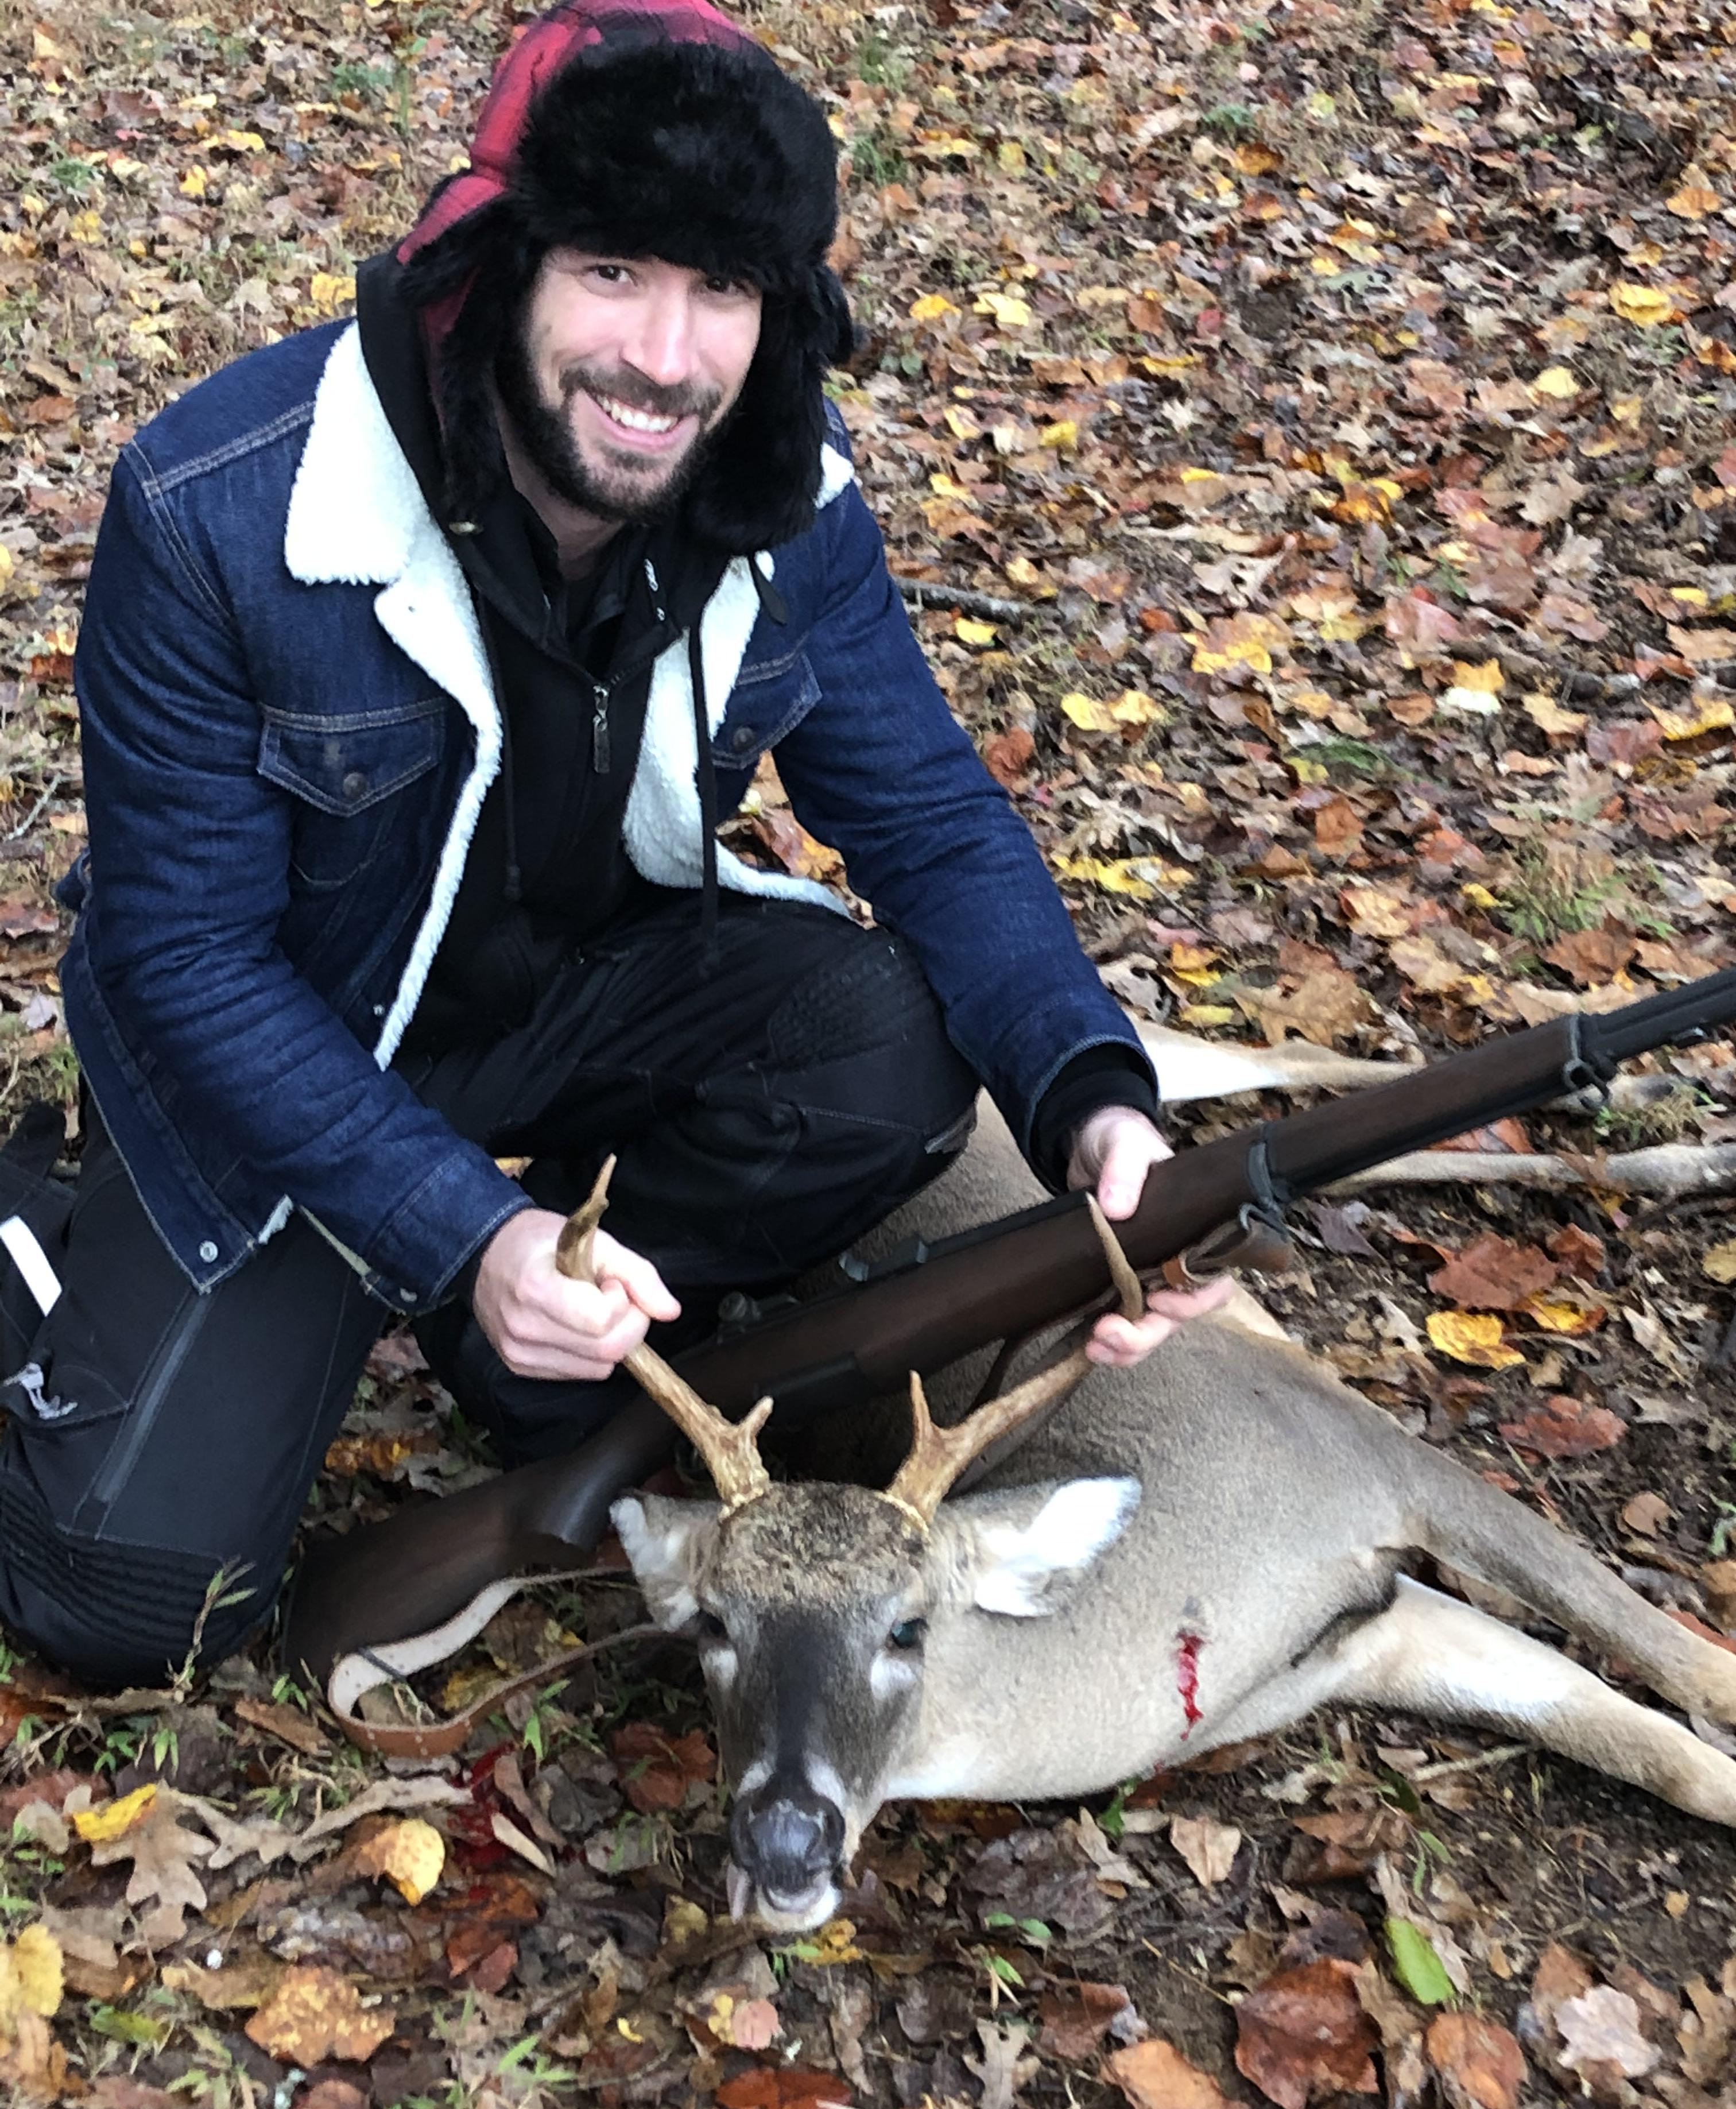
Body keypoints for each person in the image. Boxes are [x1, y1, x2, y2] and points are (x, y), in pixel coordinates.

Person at [0, 0, 1226, 1689]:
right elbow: (184, 959)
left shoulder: (785, 488)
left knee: (879, 1045)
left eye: (722, 287)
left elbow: (929, 814)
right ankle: (54, 1228)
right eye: (613, 270)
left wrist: (1094, 1097)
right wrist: (468, 1232)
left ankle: (537, 1365)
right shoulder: (218, 503)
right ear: (499, 265)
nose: (663, 355)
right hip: (283, 1054)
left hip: (567, 994)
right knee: (126, 1607)